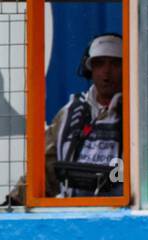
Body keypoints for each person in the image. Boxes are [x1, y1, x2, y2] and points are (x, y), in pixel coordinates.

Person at [46, 32, 125, 197]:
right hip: (73, 212)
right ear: (89, 70)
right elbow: (44, 169)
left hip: (126, 214)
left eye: (115, 64)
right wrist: (13, 201)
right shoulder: (69, 113)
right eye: (99, 64)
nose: (106, 72)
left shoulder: (145, 114)